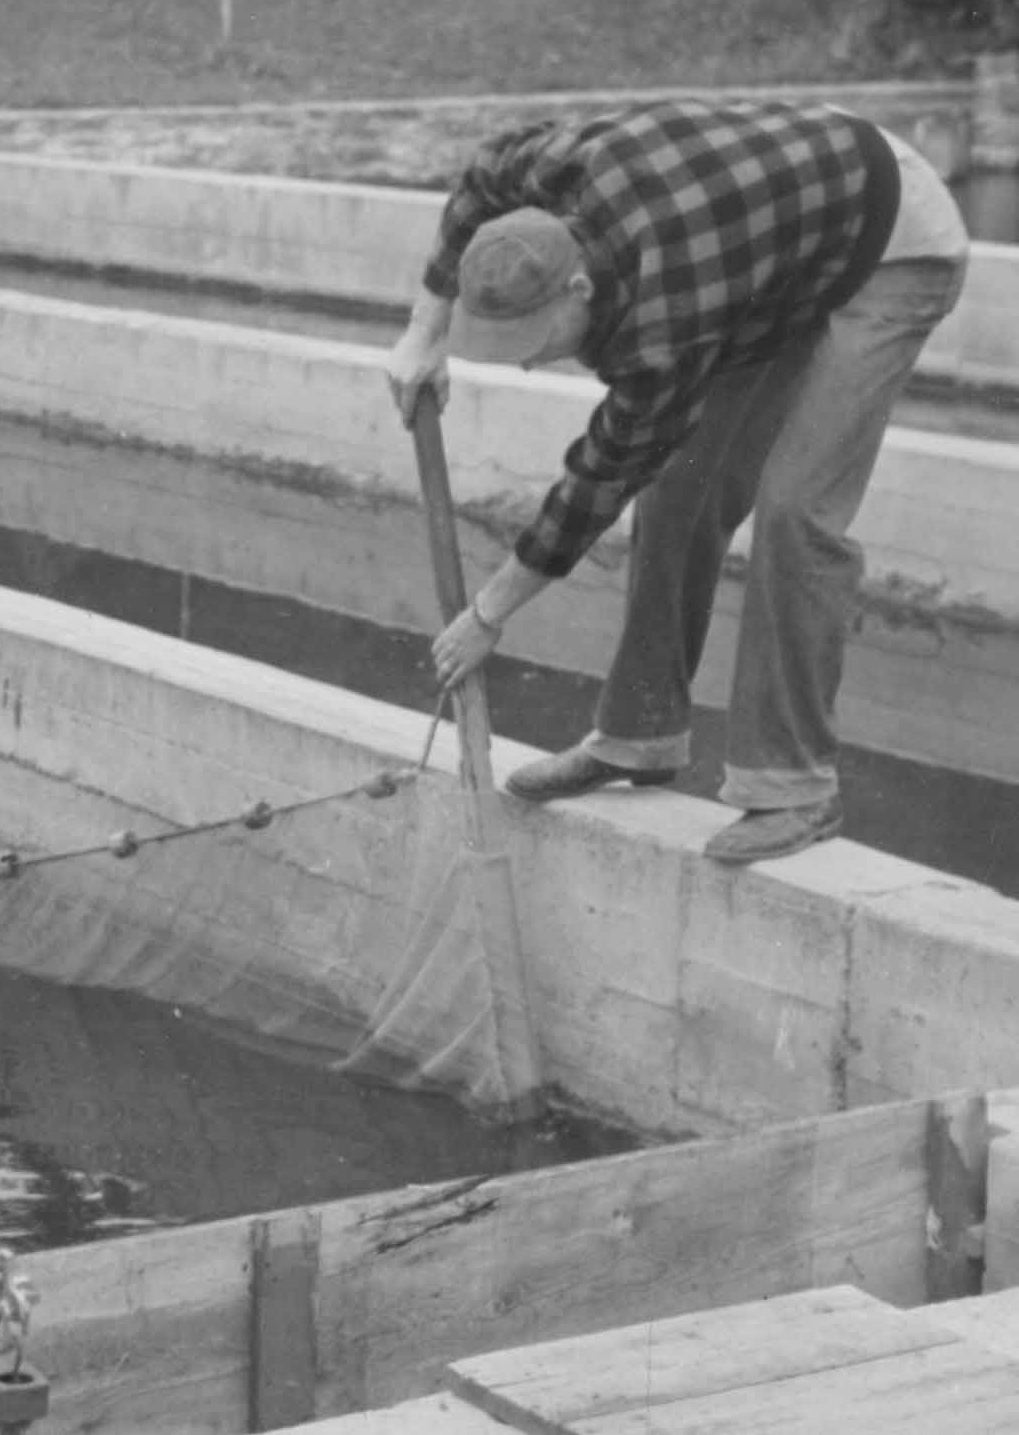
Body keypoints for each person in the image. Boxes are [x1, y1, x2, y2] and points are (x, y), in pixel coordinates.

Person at [381, 98, 968, 866]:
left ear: (580, 289)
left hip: (892, 243)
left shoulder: (663, 321)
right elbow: (477, 180)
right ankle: (640, 733)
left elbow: (597, 479)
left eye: (533, 341)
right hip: (778, 231)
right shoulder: (563, 172)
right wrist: (422, 332)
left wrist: (488, 614)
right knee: (678, 490)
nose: (526, 361)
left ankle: (796, 786)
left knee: (796, 509)